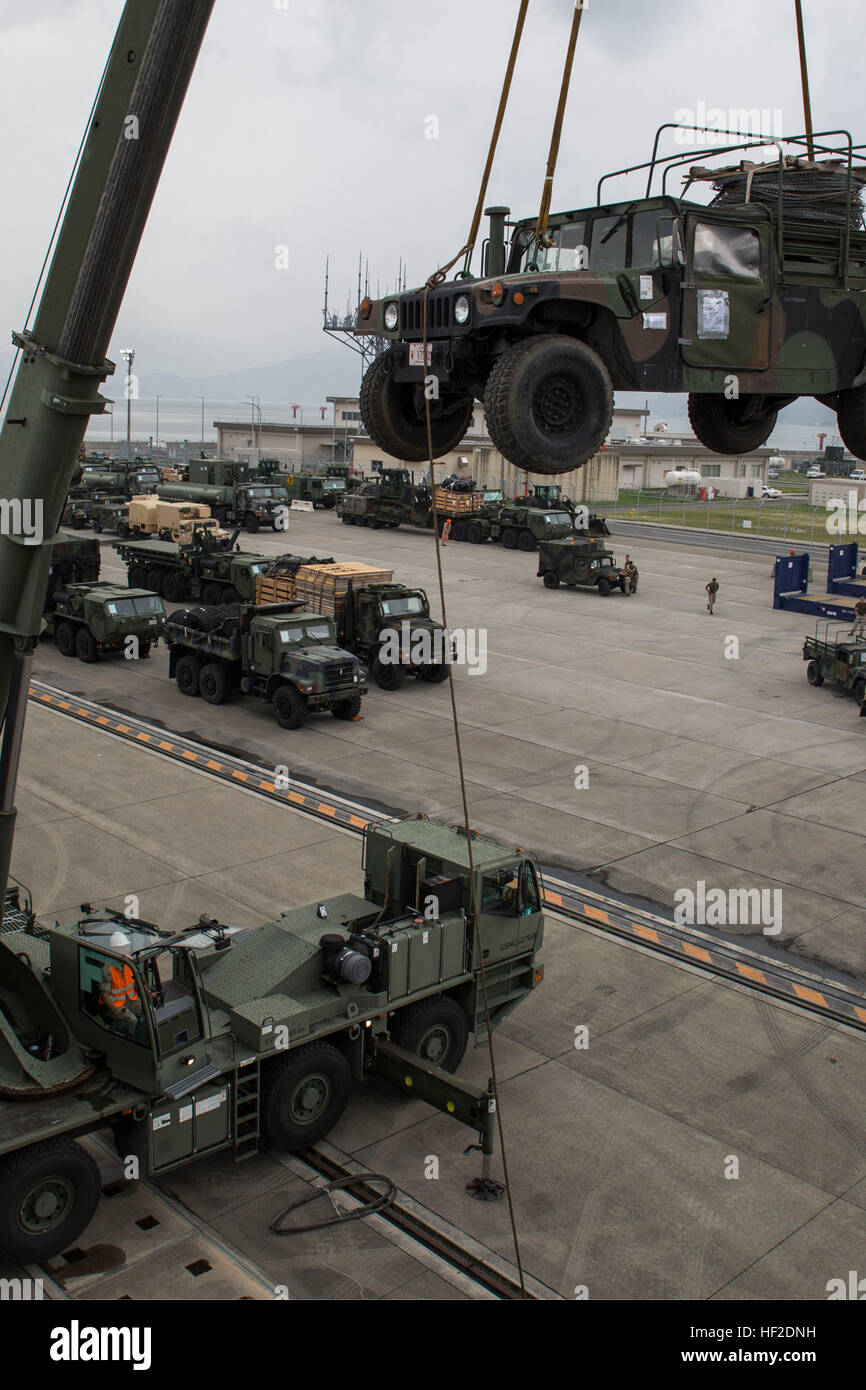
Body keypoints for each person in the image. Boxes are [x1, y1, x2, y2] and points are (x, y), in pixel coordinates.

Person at [99, 931, 144, 1039]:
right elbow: (104, 996)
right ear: (115, 950)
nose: (126, 950)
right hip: (113, 1005)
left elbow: (136, 983)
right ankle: (127, 1038)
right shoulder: (107, 969)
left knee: (149, 1011)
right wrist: (116, 1011)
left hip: (129, 999)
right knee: (131, 1020)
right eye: (123, 947)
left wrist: (148, 995)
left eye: (127, 947)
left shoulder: (129, 962)